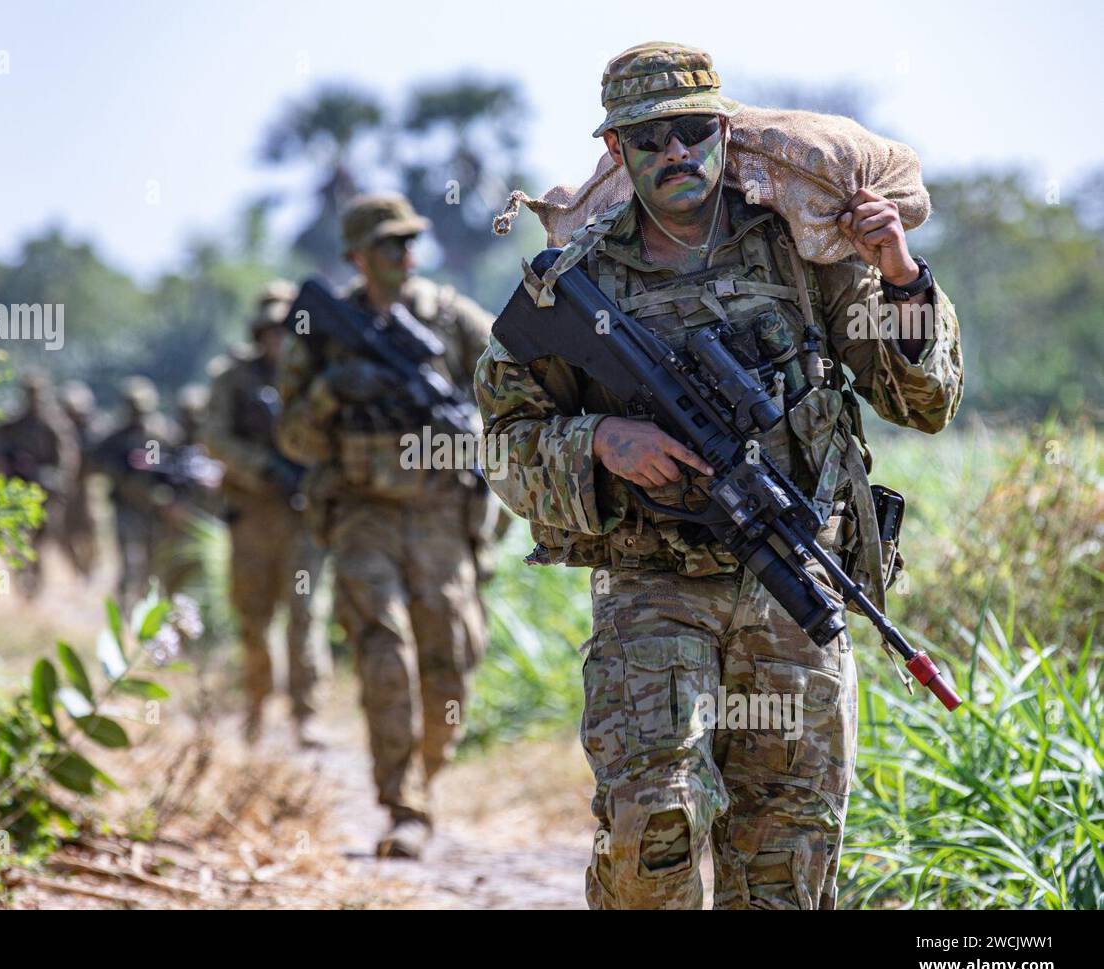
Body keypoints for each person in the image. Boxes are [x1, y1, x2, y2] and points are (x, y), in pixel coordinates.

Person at [475, 42, 964, 908]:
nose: (676, 154)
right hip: (653, 587)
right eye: (651, 137)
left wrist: (900, 276)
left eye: (694, 132)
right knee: (650, 829)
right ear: (617, 149)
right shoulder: (571, 287)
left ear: (723, 136)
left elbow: (921, 402)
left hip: (797, 575)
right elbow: (504, 440)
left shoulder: (804, 252)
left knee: (787, 847)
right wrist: (599, 439)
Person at [276, 194, 492, 858]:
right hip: (363, 515)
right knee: (383, 652)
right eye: (388, 246)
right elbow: (293, 440)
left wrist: (471, 431)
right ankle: (404, 805)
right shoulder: (321, 329)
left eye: (410, 243)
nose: (404, 256)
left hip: (439, 517)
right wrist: (334, 390)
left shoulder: (452, 320)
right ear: (356, 257)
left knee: (450, 661)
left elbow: (515, 390)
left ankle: (427, 774)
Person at [204, 281, 331, 748]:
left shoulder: (317, 375)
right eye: (270, 330)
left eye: (287, 328)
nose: (279, 338)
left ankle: (305, 715)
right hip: (254, 515)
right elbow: (214, 437)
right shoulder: (233, 377)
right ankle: (257, 705)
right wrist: (262, 468)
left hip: (304, 516)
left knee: (305, 614)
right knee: (253, 617)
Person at [0, 371, 78, 597]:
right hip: (18, 494)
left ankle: (35, 587)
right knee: (18, 543)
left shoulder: (54, 426)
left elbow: (66, 464)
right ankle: (23, 589)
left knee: (40, 545)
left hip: (43, 496)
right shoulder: (13, 426)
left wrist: (46, 476)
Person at [92, 376, 183, 607]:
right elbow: (99, 464)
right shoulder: (116, 438)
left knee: (156, 562)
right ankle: (125, 607)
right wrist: (124, 475)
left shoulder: (164, 434)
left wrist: (164, 490)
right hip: (127, 507)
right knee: (129, 561)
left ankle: (148, 606)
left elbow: (176, 466)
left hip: (156, 510)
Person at [56, 379, 101, 578]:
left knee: (91, 532)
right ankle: (78, 568)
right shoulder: (57, 431)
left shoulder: (94, 432)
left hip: (87, 488)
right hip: (65, 491)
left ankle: (89, 568)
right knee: (63, 534)